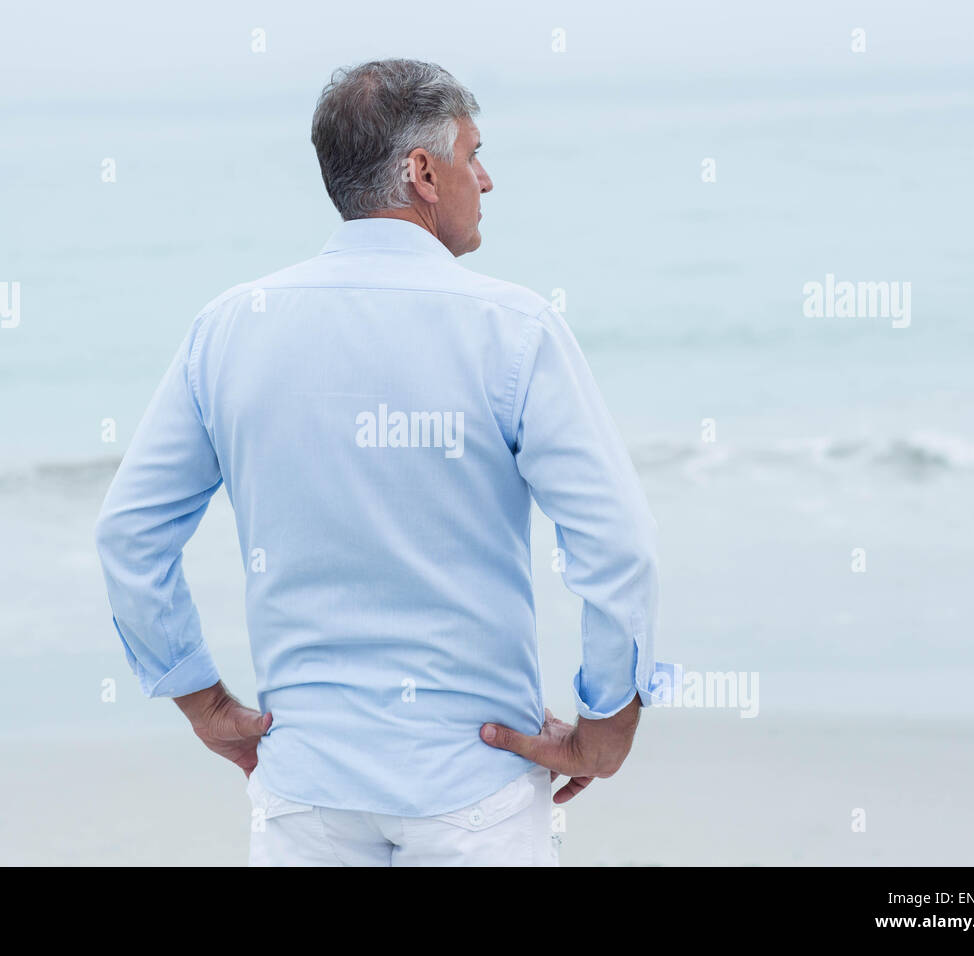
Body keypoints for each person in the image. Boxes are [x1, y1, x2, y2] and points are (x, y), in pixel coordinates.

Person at [94, 58, 668, 866]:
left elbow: (128, 536)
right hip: (478, 788)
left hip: (305, 793)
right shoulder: (516, 329)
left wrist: (201, 699)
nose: (488, 179)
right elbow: (619, 548)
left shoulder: (229, 328)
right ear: (424, 173)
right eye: (474, 154)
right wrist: (607, 725)